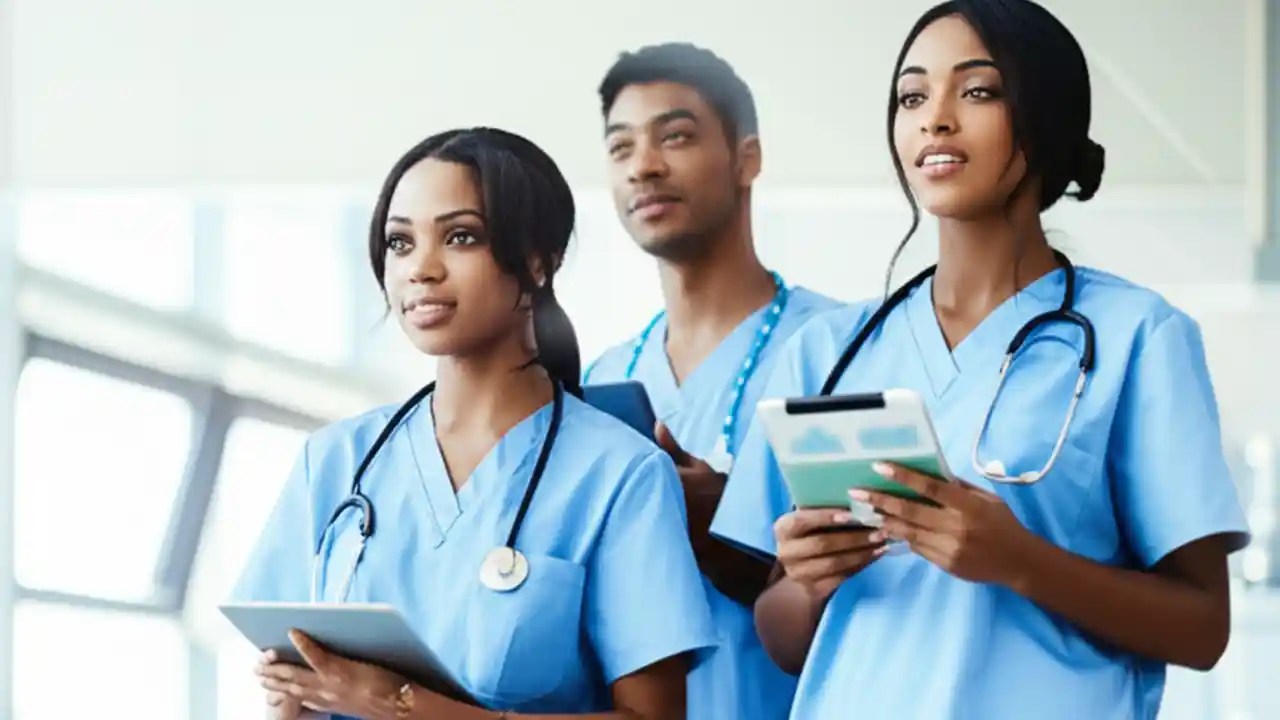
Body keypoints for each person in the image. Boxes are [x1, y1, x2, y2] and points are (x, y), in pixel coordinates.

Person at [710, 2, 1251, 718]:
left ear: (1045, 115)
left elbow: (1202, 628)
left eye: (977, 91)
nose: (934, 118)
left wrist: (1019, 561)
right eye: (912, 96)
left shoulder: (1138, 337)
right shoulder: (826, 353)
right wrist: (809, 581)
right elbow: (784, 639)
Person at [232, 127, 716, 720]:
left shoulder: (622, 474)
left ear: (540, 261)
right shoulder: (335, 459)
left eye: (460, 237)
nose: (421, 269)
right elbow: (293, 690)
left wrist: (400, 705)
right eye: (400, 242)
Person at [583, 42, 841, 720]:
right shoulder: (603, 378)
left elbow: (892, 578)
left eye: (675, 136)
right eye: (620, 148)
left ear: (746, 157)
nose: (644, 165)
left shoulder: (841, 349)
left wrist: (729, 522)